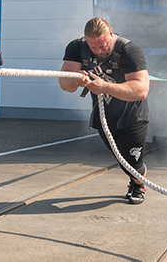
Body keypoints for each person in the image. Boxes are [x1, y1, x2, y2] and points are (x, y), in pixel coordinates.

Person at [59, 17, 150, 205]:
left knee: (133, 163)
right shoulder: (76, 48)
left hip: (133, 114)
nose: (99, 51)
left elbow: (141, 90)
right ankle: (133, 178)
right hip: (105, 115)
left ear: (111, 34)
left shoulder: (129, 50)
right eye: (94, 48)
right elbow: (64, 84)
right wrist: (77, 80)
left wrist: (105, 87)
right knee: (120, 157)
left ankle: (138, 185)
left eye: (103, 46)